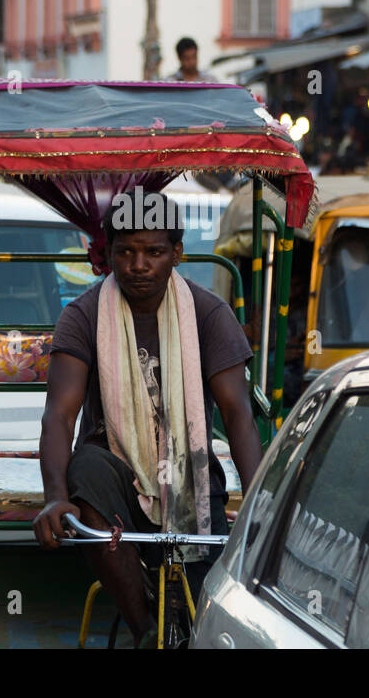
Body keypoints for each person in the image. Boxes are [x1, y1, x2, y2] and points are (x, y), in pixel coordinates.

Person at [32, 188, 260, 648]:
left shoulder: (208, 314)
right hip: (114, 473)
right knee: (86, 468)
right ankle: (143, 632)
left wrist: (261, 503)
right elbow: (58, 416)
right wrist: (55, 497)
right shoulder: (83, 315)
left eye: (154, 251)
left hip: (190, 474)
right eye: (126, 251)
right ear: (108, 254)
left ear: (176, 253)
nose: (139, 265)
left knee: (207, 620)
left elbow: (238, 416)